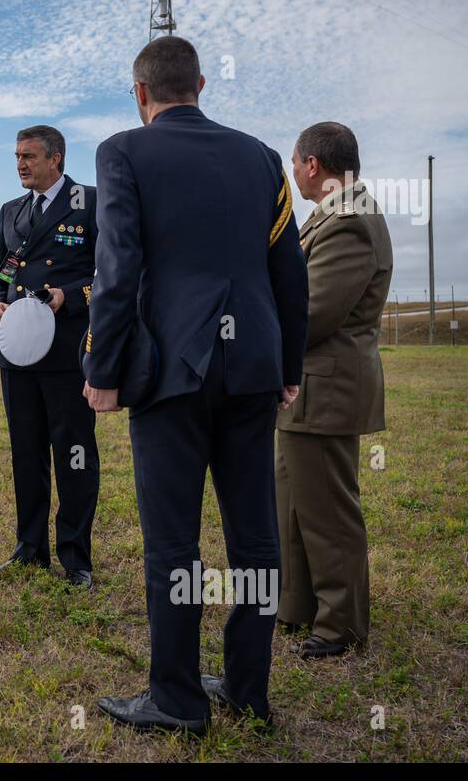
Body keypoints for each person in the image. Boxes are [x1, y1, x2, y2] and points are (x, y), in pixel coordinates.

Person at [83, 37, 308, 731]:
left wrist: (101, 369)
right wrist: (289, 367)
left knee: (174, 543)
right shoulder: (263, 157)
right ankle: (247, 690)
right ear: (201, 84)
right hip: (253, 370)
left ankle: (178, 700)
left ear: (140, 93)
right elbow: (289, 274)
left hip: (171, 372)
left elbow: (118, 268)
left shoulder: (123, 151)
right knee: (257, 541)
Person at [276, 122, 392, 658]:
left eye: (296, 164)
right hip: (309, 390)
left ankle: (341, 625)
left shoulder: (350, 220)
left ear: (314, 165)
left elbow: (314, 312)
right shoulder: (333, 215)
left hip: (325, 388)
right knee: (294, 503)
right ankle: (299, 606)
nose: (294, 173)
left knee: (328, 512)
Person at [0, 125, 99, 587]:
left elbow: (111, 273)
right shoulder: (12, 211)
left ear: (56, 158)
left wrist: (68, 296)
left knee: (74, 453)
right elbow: (0, 272)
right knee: (26, 454)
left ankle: (76, 558)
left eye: (28, 156)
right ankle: (30, 549)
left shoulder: (88, 203)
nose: (20, 164)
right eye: (16, 156)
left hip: (68, 352)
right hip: (18, 354)